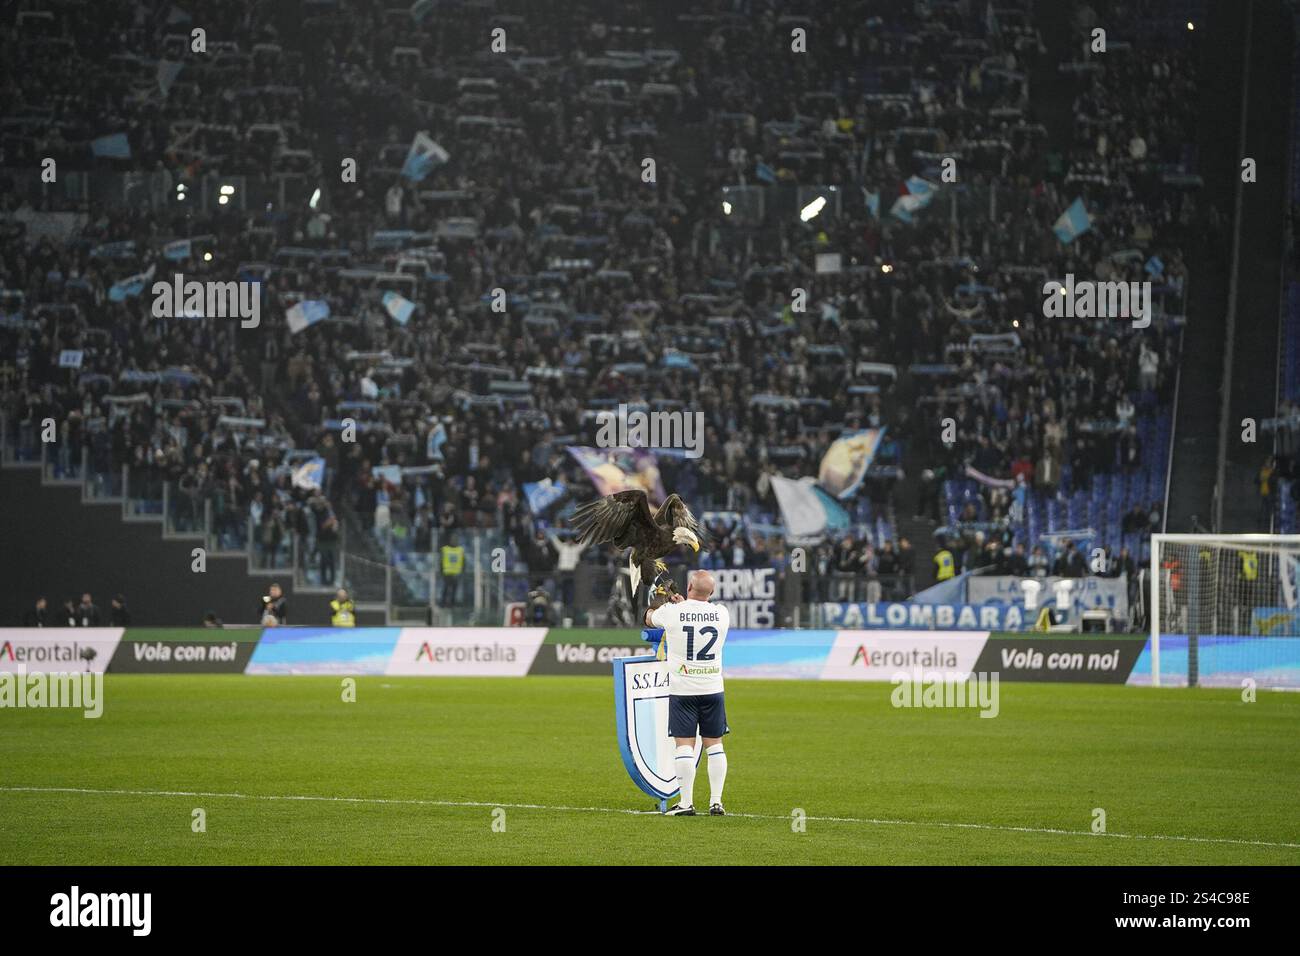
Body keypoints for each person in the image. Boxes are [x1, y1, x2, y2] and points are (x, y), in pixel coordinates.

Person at [644, 569, 730, 817]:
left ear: (689, 586)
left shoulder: (673, 613)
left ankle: (686, 802)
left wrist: (657, 603)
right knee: (715, 745)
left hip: (683, 690)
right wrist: (685, 605)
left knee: (684, 745)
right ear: (711, 592)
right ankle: (716, 802)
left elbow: (649, 618)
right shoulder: (722, 614)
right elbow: (698, 614)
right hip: (713, 688)